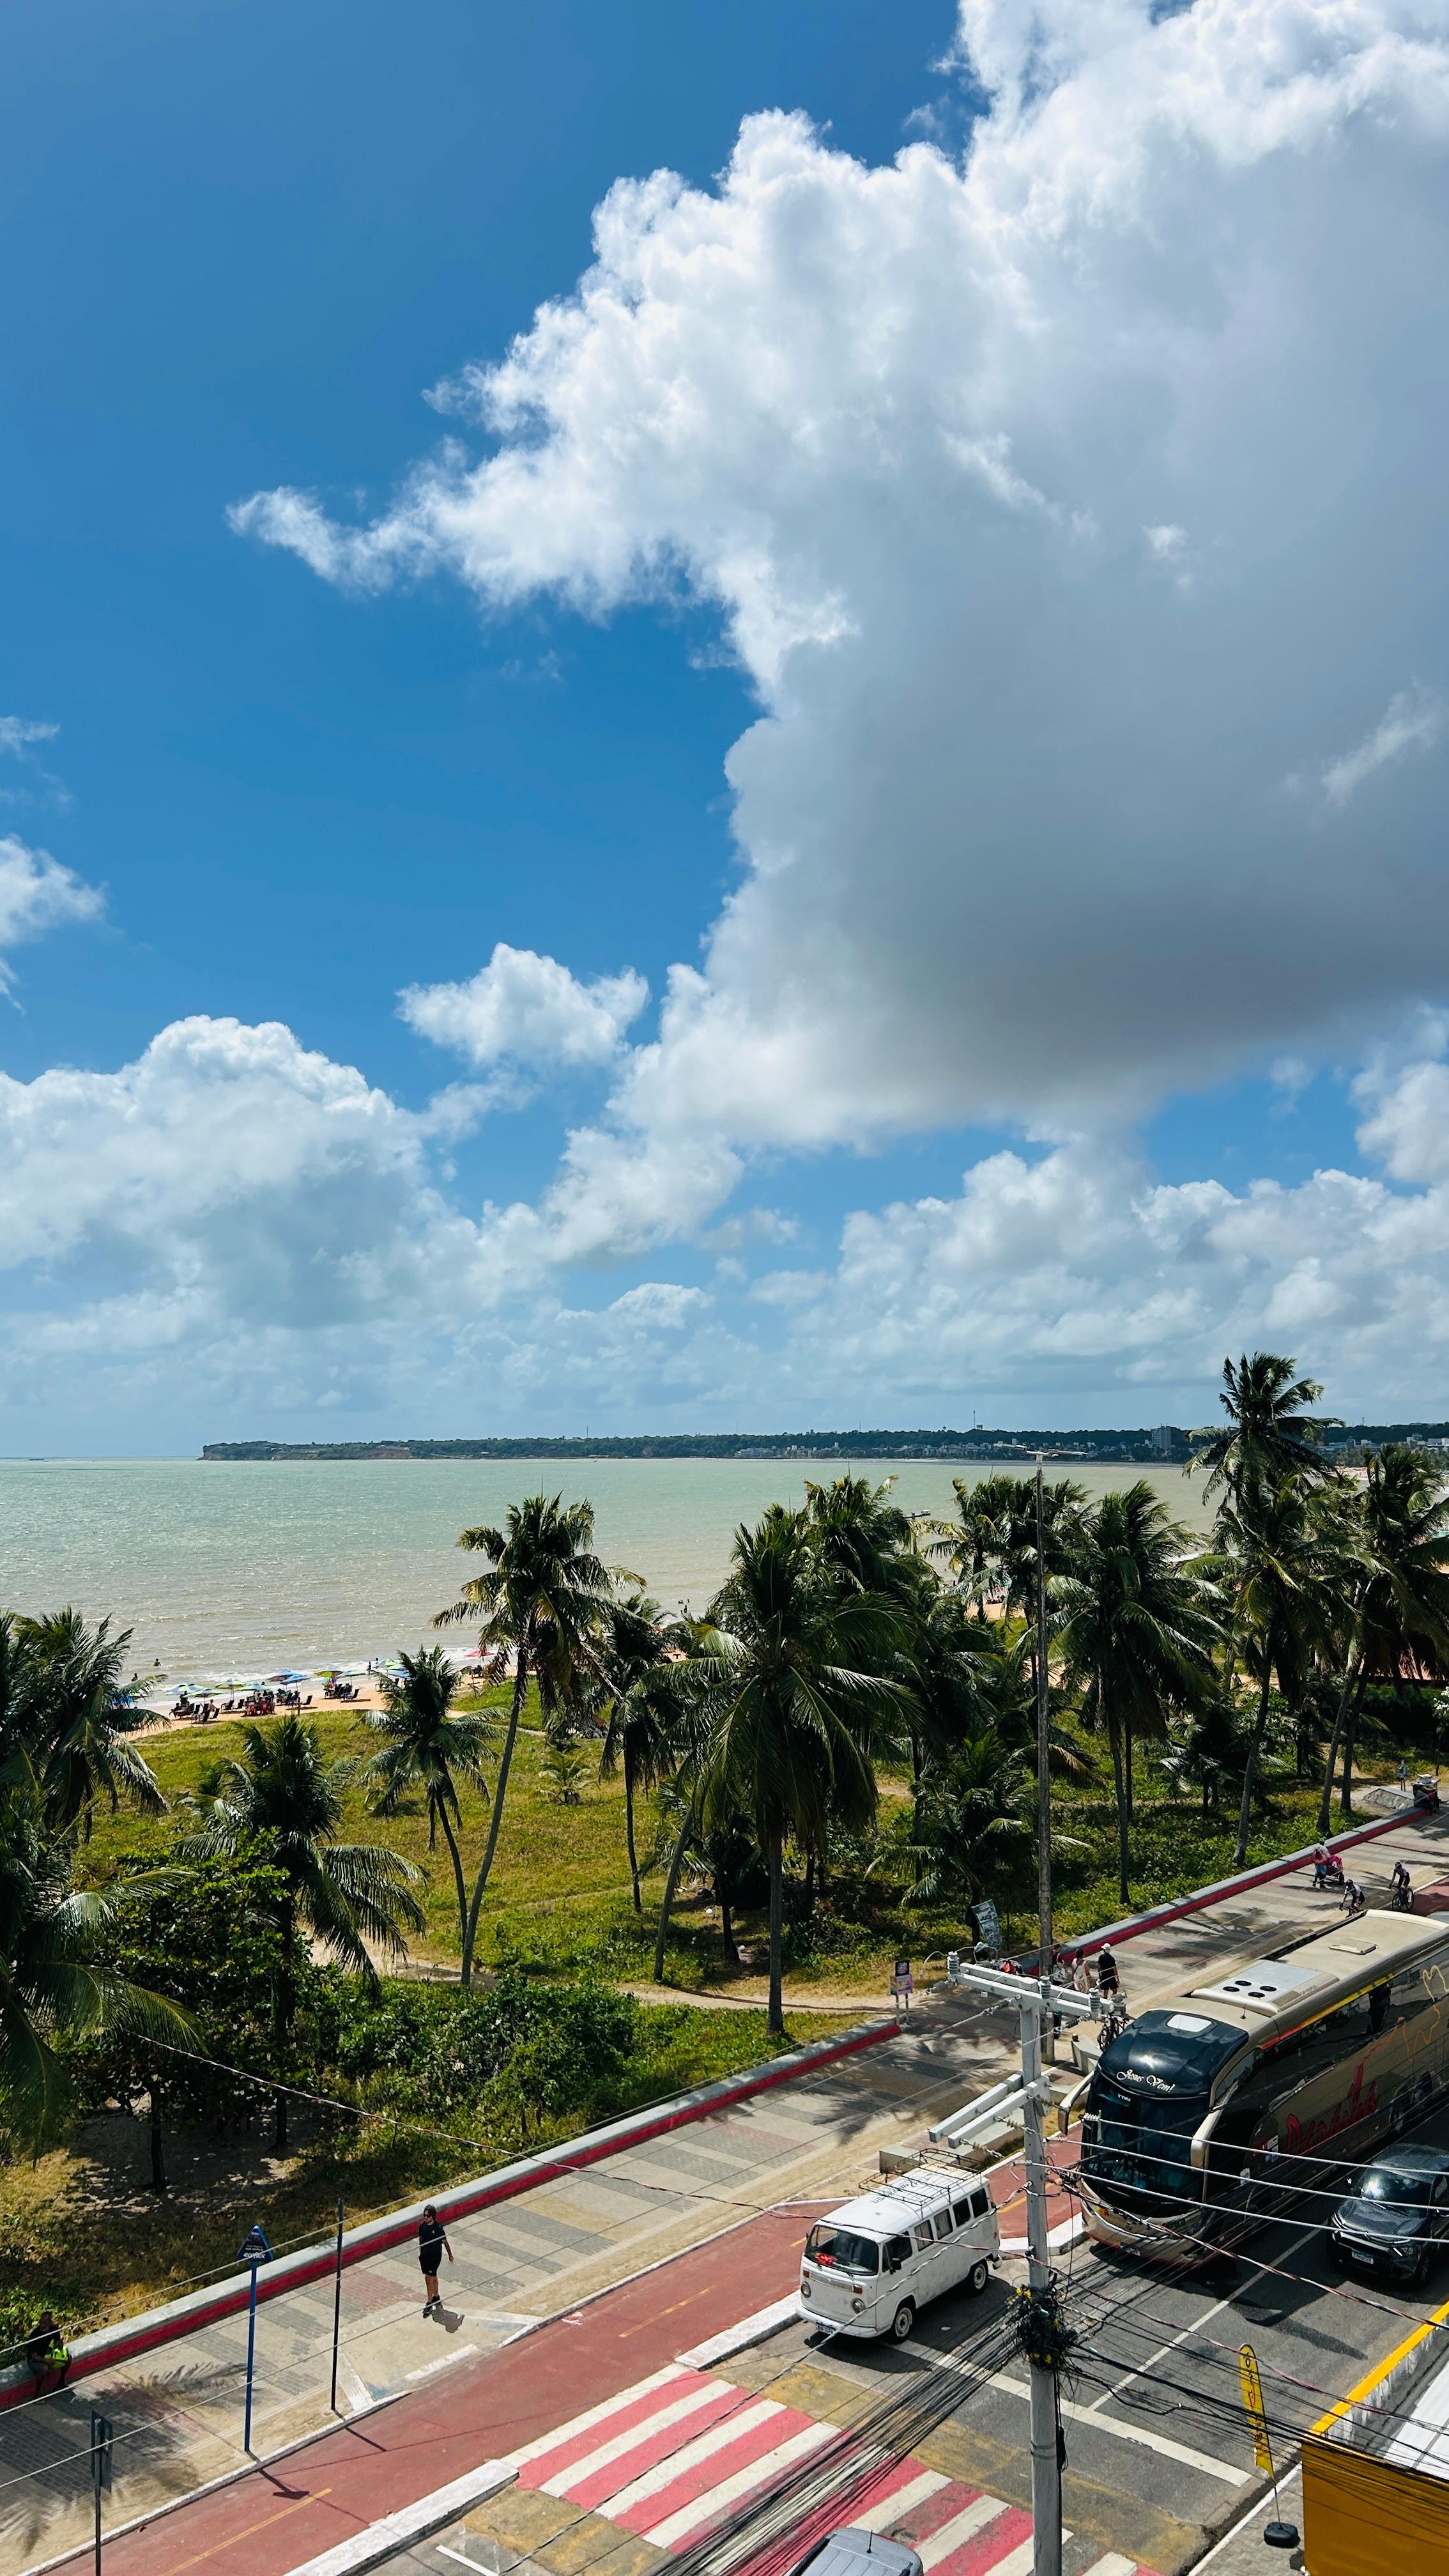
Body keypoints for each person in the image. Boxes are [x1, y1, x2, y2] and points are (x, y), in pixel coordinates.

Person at [418, 2203, 452, 2315]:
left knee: (429, 2279)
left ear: (432, 2216)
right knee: (433, 2277)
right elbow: (421, 2241)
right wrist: (421, 2254)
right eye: (424, 2215)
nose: (425, 2217)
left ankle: (429, 2302)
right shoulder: (422, 2227)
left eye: (427, 2216)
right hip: (425, 2257)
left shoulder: (438, 2228)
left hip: (435, 2257)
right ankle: (436, 2296)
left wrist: (450, 2254)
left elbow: (445, 2242)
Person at [26, 2313, 69, 2396]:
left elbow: (57, 2345)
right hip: (36, 2360)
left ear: (50, 2323)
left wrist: (60, 2345)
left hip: (49, 2355)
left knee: (68, 2358)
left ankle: (61, 2382)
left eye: (45, 2323)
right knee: (44, 2369)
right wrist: (47, 2361)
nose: (42, 2325)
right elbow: (34, 2357)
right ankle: (37, 2393)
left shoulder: (54, 2330)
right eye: (41, 2323)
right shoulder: (34, 2335)